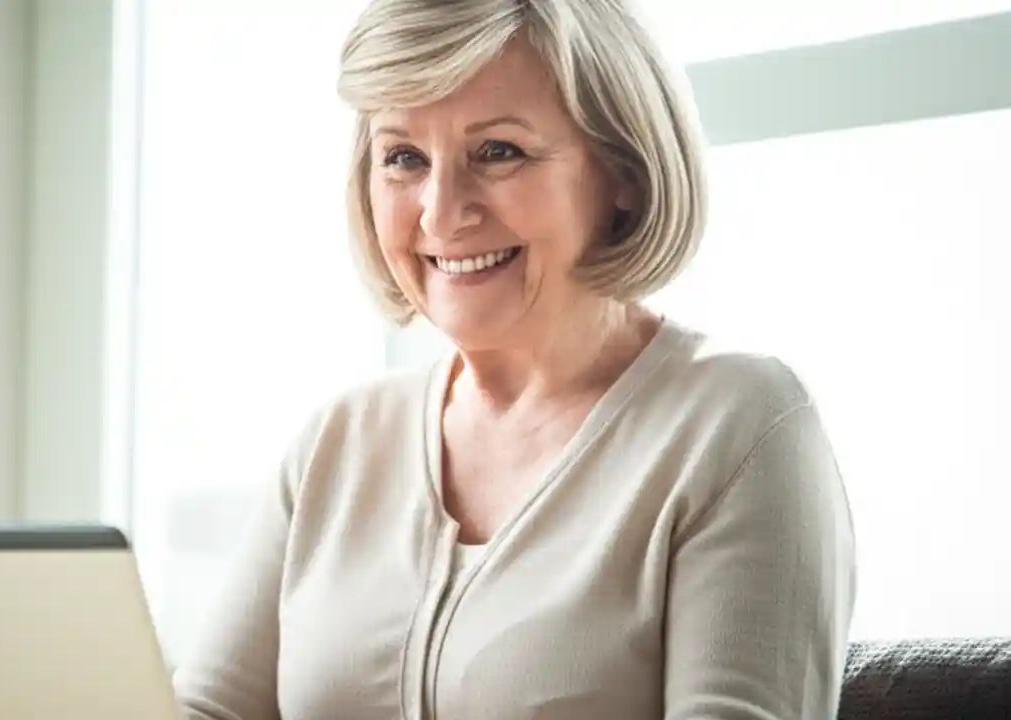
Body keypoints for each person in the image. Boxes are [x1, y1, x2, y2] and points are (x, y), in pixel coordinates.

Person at [174, 0, 856, 718]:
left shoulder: (738, 427)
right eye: (404, 157)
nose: (441, 213)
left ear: (622, 172)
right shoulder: (338, 442)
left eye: (498, 151)